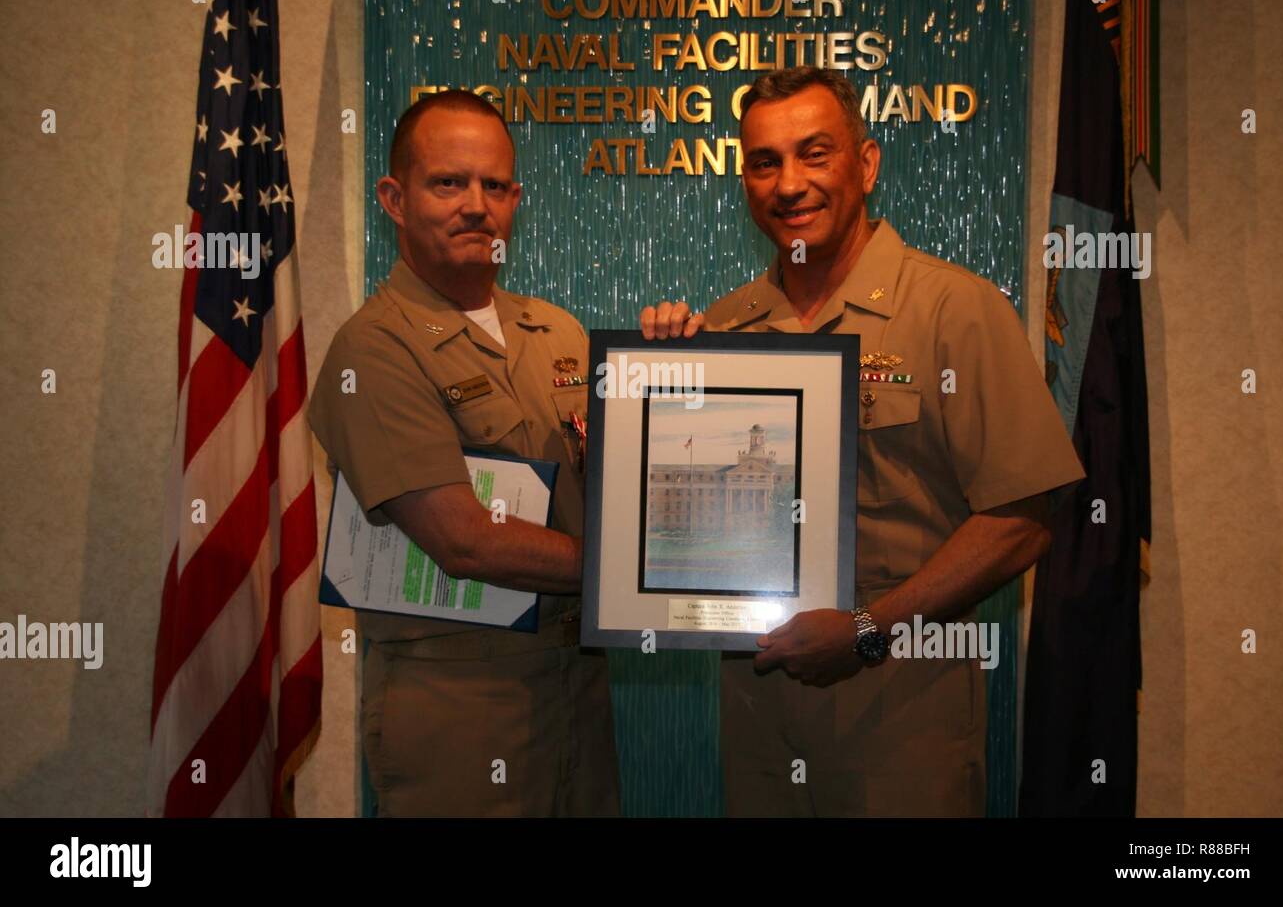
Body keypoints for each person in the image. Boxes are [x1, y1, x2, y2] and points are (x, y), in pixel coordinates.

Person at [641, 66, 1084, 816]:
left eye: (815, 153)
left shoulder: (956, 309)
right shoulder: (724, 327)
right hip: (760, 714)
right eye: (764, 162)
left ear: (867, 162)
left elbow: (1023, 519)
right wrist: (652, 386)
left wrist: (868, 631)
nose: (789, 184)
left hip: (901, 715)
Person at [308, 89, 619, 816]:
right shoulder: (374, 348)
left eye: (495, 185)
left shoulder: (560, 334)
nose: (475, 204)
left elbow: (612, 486)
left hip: (576, 685)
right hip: (460, 704)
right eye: (448, 182)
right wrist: (643, 574)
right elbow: (465, 542)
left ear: (516, 199)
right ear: (394, 196)